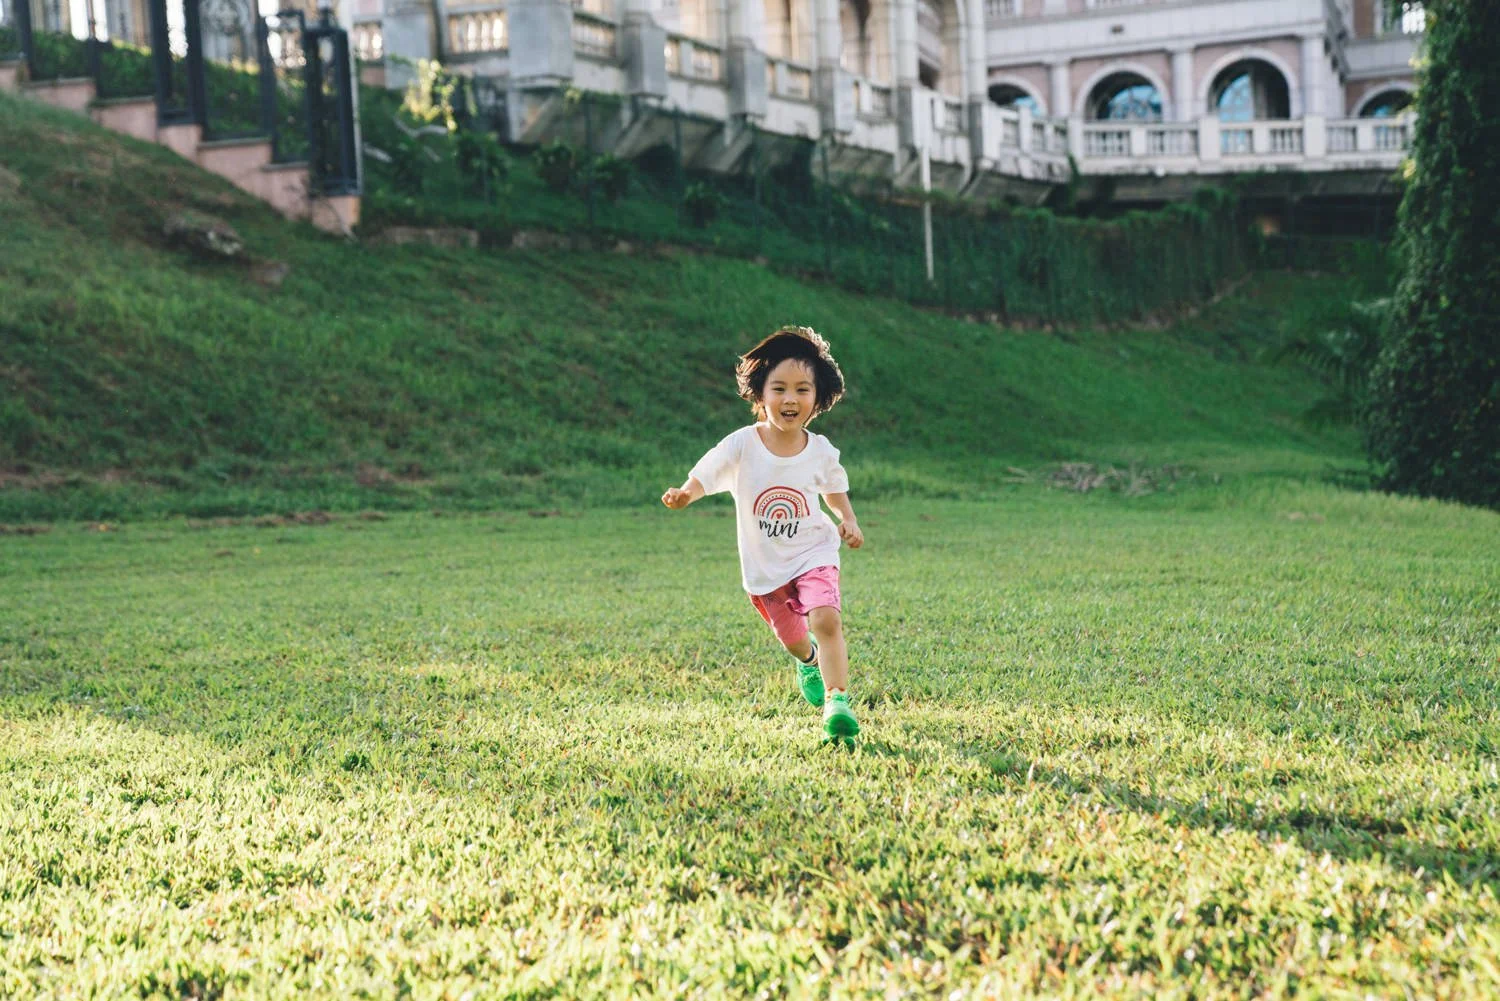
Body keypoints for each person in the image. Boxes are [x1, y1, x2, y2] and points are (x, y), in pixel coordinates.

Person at [661, 325, 865, 744]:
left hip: (814, 551)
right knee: (793, 639)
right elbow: (708, 472)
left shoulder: (821, 450)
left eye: (802, 389)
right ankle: (807, 661)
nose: (790, 399)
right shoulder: (742, 445)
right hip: (765, 567)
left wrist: (848, 519)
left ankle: (837, 702)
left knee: (826, 620)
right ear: (760, 394)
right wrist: (686, 493)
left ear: (817, 397)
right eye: (779, 389)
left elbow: (834, 489)